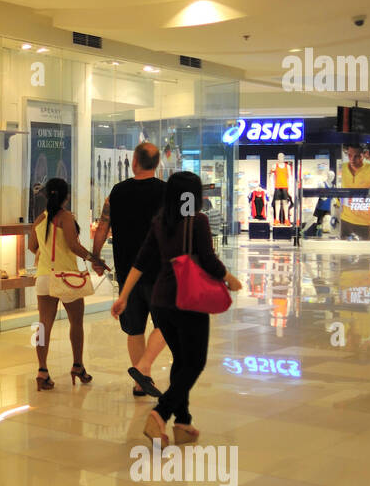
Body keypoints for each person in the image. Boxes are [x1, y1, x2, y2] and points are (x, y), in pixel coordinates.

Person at [111, 172, 242, 447]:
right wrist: (229, 278)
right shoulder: (198, 222)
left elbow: (141, 261)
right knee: (195, 362)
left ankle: (183, 423)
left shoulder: (159, 223)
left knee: (182, 361)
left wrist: (123, 296)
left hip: (163, 300)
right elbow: (208, 260)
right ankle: (161, 413)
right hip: (188, 300)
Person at [91, 142, 167, 399]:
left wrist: (96, 256)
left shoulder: (117, 192)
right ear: (157, 164)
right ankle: (143, 369)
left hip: (127, 271)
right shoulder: (166, 192)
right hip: (159, 271)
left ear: (134, 162)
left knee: (134, 328)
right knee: (166, 323)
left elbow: (102, 226)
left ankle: (140, 380)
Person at [29, 177, 105, 390]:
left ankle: (42, 370)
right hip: (66, 277)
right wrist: (93, 258)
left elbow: (32, 246)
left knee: (43, 325)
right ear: (66, 196)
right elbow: (73, 245)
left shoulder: (39, 220)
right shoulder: (66, 217)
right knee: (76, 323)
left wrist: (46, 256)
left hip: (44, 277)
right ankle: (78, 365)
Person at [339, 144, 370, 240]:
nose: (352, 159)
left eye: (357, 156)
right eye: (349, 155)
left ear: (365, 154)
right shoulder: (341, 168)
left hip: (365, 222)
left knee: (365, 253)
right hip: (344, 220)